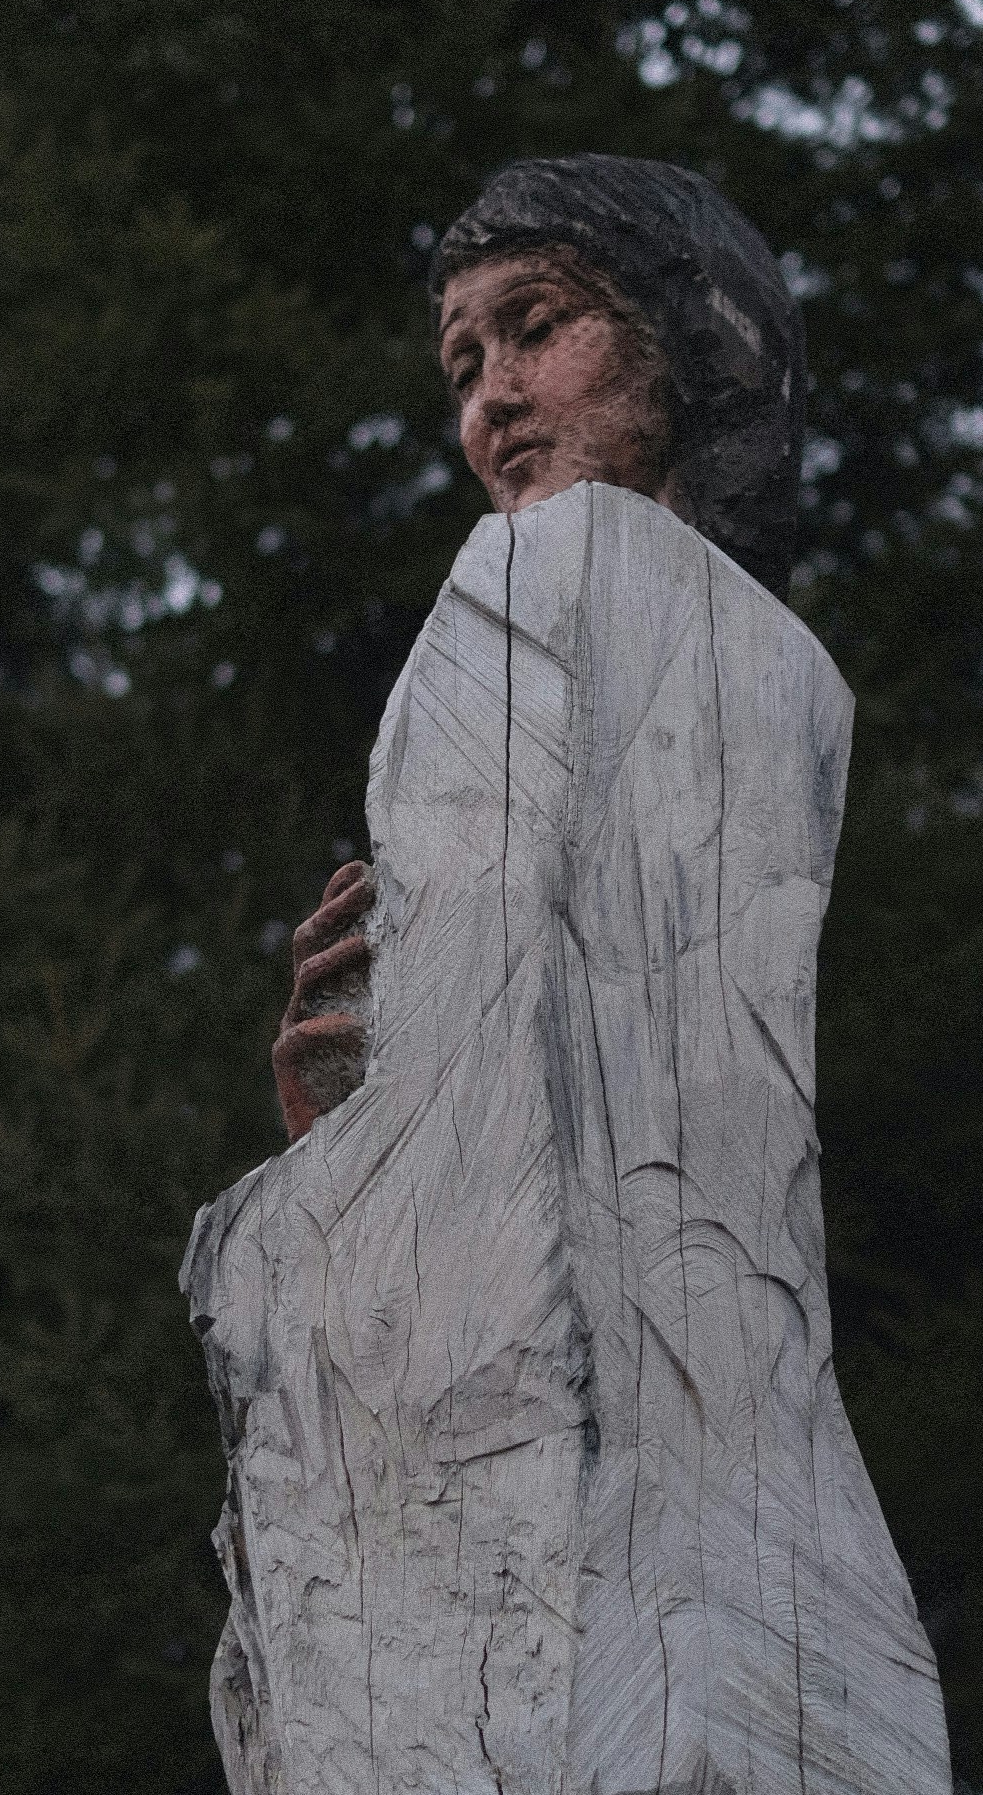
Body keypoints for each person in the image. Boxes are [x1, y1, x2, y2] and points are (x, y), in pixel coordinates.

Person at [272, 151, 806, 1141]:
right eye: (463, 369)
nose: (493, 399)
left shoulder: (724, 656)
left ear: (684, 335)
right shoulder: (482, 662)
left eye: (537, 327)